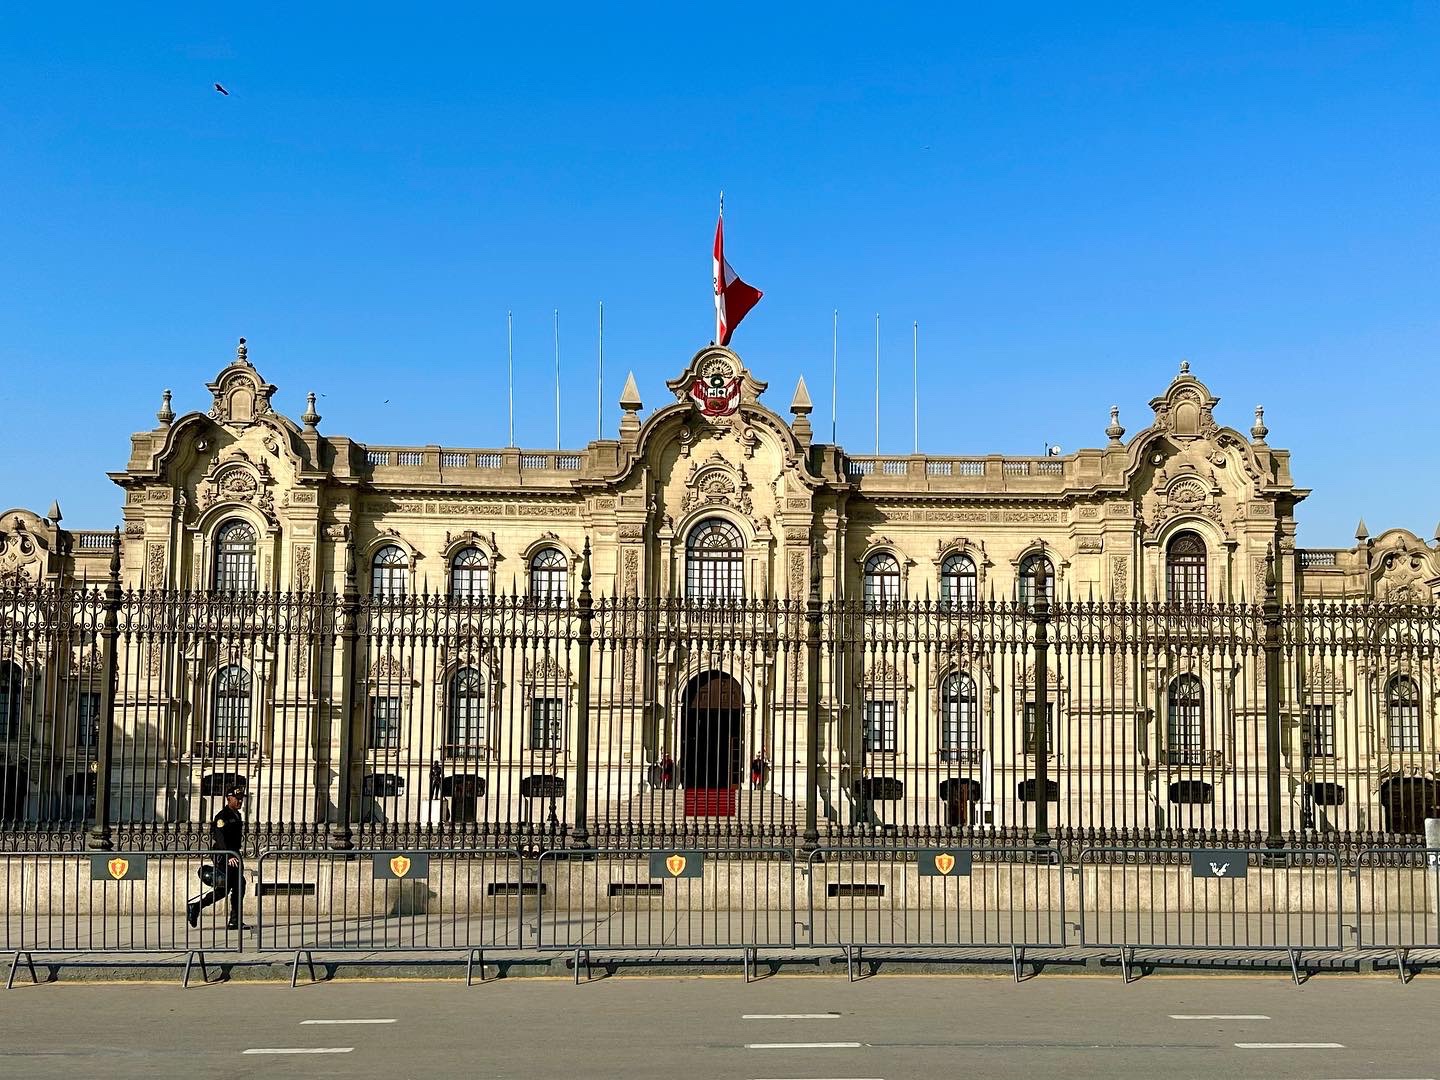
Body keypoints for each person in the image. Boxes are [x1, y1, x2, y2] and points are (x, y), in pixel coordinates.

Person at [187, 786, 249, 931]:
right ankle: (197, 907)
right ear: (229, 799)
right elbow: (220, 837)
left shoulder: (236, 815)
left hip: (233, 853)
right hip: (225, 855)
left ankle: (233, 920)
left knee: (234, 887)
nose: (240, 801)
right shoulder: (222, 816)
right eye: (237, 799)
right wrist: (228, 855)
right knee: (229, 887)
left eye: (241, 799)